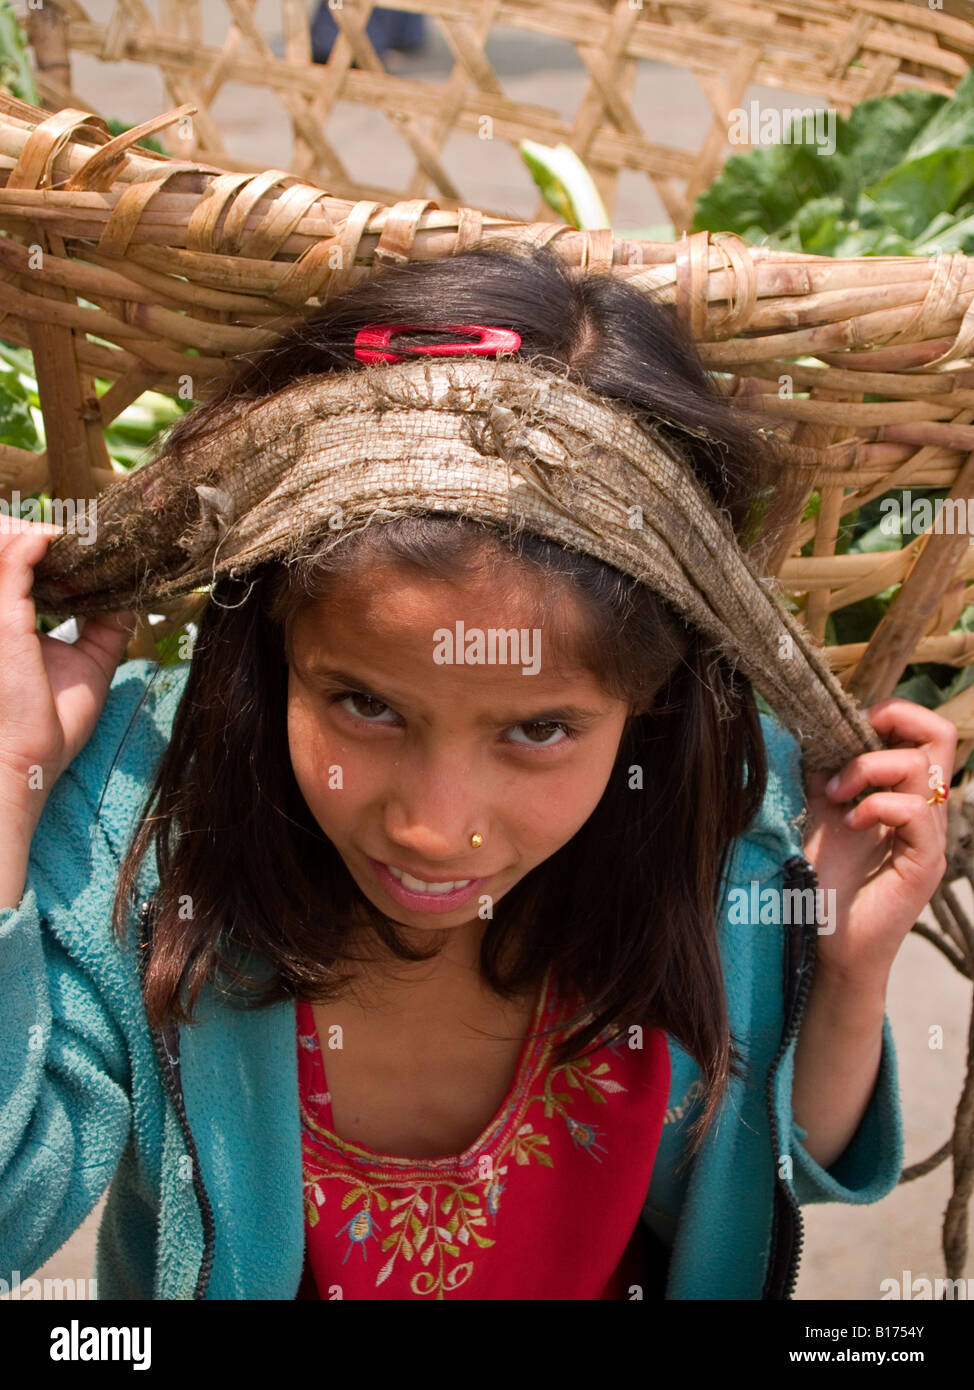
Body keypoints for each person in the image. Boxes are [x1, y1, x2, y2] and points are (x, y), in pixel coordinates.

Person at [0, 242, 953, 1300]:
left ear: (647, 707)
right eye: (364, 705)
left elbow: (774, 1169)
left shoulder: (719, 829)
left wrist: (846, 972)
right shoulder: (145, 820)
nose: (430, 827)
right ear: (270, 649)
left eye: (537, 731)